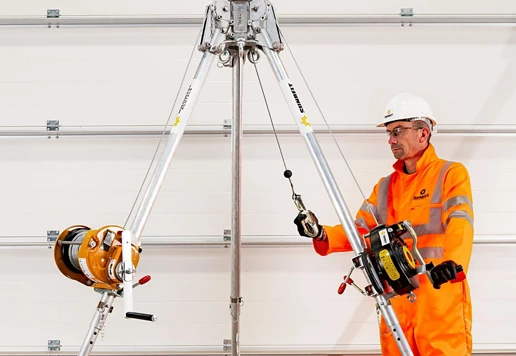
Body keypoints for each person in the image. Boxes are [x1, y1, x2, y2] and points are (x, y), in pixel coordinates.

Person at [294, 93, 474, 356]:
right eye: (389, 133)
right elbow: (359, 230)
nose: (391, 140)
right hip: (397, 298)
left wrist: (453, 264)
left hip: (439, 296)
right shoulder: (386, 186)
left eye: (398, 131)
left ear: (423, 133)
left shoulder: (450, 174)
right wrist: (321, 233)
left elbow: (461, 223)